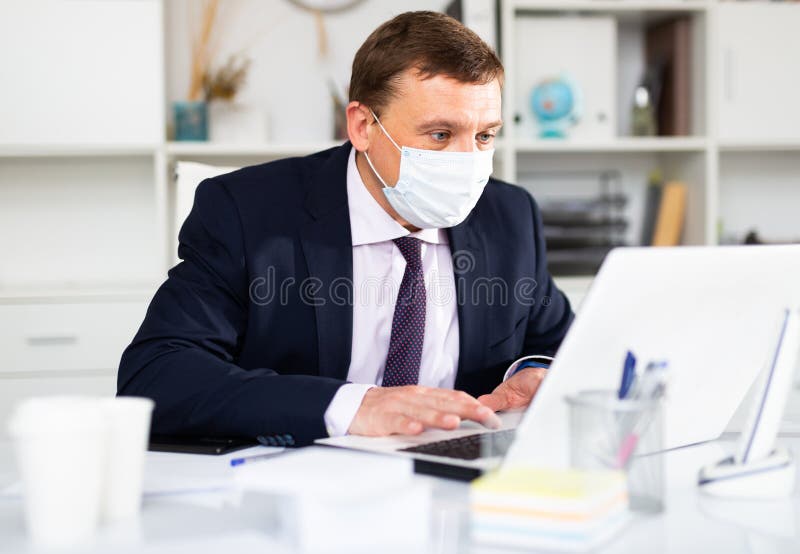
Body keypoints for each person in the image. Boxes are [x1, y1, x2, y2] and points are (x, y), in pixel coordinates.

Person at [118, 11, 573, 447]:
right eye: (439, 135)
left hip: (455, 486)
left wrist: (535, 372)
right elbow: (157, 375)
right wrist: (355, 406)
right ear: (362, 126)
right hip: (300, 492)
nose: (467, 160)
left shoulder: (510, 217)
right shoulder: (247, 213)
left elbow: (563, 346)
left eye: (484, 136)